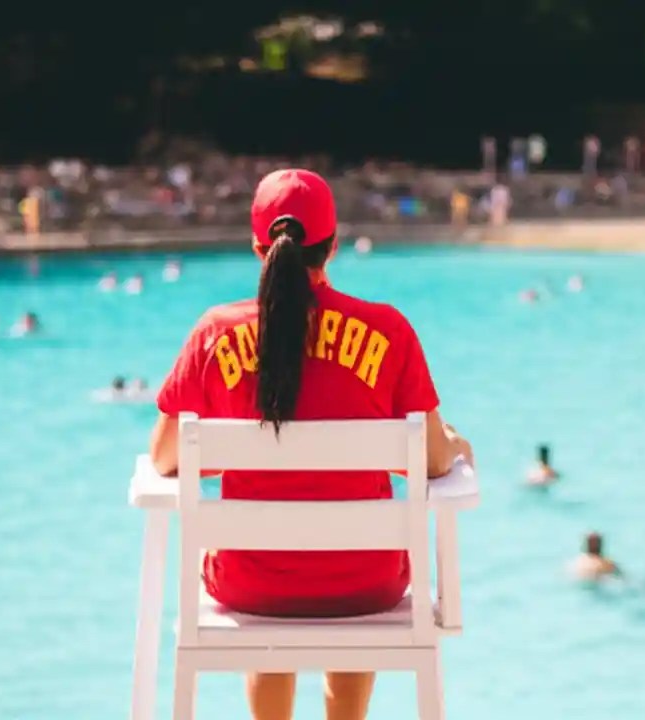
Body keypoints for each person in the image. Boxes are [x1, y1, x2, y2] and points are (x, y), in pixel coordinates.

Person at [147, 169, 472, 720]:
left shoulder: (213, 334)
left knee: (266, 563)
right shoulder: (388, 330)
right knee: (345, 562)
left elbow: (164, 458)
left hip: (249, 584)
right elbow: (436, 459)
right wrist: (458, 444)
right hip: (366, 584)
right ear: (335, 246)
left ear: (257, 248)